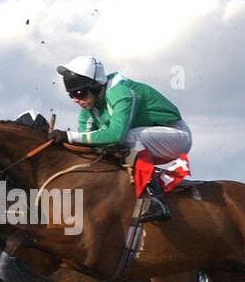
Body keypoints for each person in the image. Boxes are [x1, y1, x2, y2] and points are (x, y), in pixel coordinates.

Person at [51, 56, 191, 222]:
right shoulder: (88, 108)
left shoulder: (120, 93)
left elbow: (116, 135)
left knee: (126, 137)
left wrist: (68, 136)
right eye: (72, 95)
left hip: (176, 135)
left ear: (96, 86)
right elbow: (88, 143)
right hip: (147, 139)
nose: (76, 100)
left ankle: (156, 199)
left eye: (80, 93)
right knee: (101, 149)